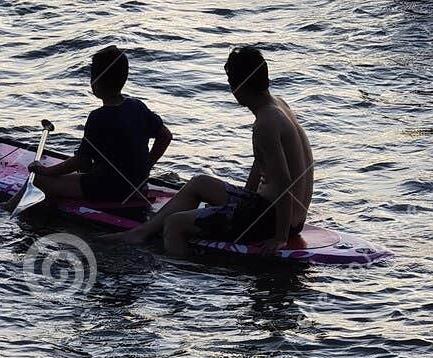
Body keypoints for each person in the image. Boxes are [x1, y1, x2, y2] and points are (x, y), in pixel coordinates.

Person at [108, 47, 313, 258]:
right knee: (199, 183)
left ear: (238, 85)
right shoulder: (278, 106)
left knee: (174, 225)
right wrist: (242, 200)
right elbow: (261, 162)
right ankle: (142, 233)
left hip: (274, 221)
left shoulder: (266, 123)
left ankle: (188, 280)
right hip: (280, 214)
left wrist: (279, 238)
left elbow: (284, 182)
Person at [29, 45, 172, 205]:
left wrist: (45, 170)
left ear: (94, 83)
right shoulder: (137, 106)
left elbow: (80, 162)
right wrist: (146, 167)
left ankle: (5, 209)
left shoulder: (98, 117)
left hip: (106, 189)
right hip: (138, 186)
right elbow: (166, 136)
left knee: (37, 181)